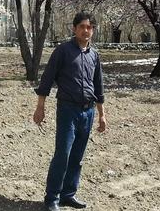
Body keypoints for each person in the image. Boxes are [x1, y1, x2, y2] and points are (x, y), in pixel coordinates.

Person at [33, 11, 106, 211]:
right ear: (74, 29)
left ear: (93, 30)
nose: (86, 30)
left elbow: (98, 87)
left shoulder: (94, 55)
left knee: (78, 156)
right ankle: (51, 198)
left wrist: (101, 114)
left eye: (89, 27)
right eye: (82, 26)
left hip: (88, 112)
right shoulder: (63, 51)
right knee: (63, 154)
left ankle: (68, 195)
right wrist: (40, 107)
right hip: (67, 110)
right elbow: (47, 79)